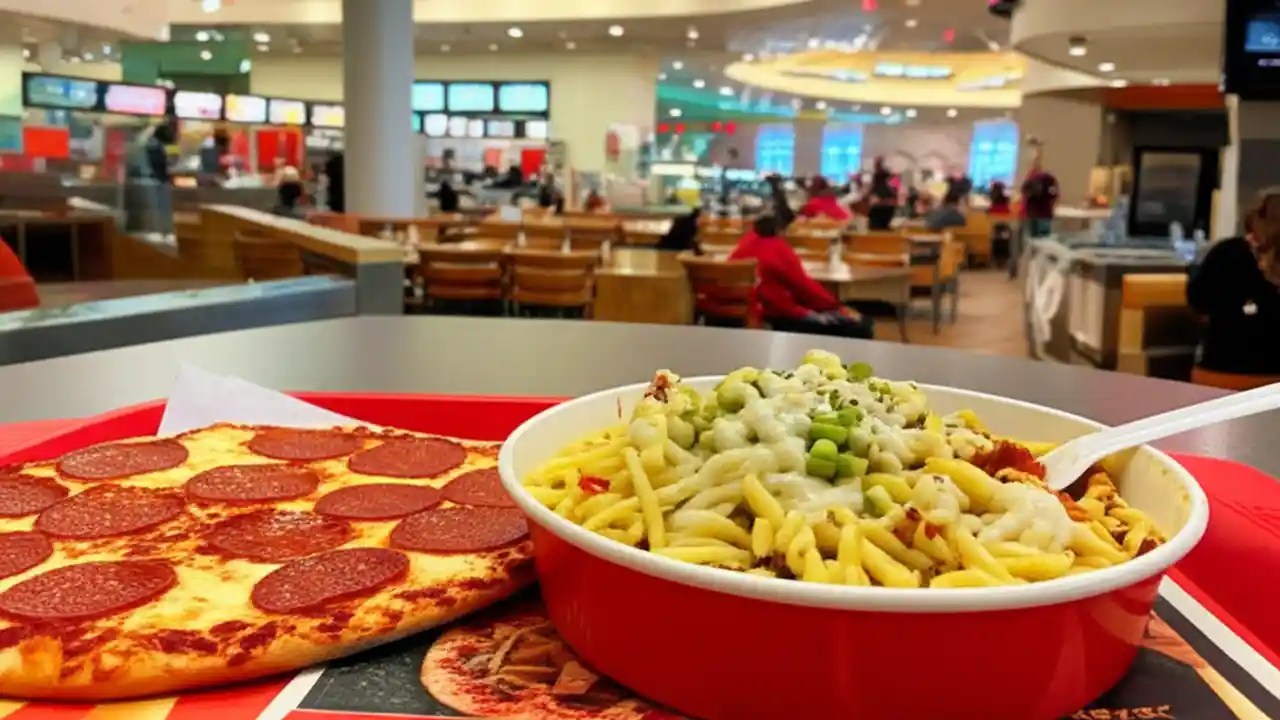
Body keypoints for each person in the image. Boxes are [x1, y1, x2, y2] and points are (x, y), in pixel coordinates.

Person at [729, 215, 873, 338]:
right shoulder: (778, 249)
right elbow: (804, 287)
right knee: (862, 325)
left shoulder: (743, 246)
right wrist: (836, 307)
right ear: (780, 230)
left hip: (748, 312)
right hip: (779, 315)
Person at [1186, 195, 1280, 375]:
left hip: (1216, 371)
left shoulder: (1228, 251)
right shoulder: (1234, 253)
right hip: (1270, 383)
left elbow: (1197, 301)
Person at [1020, 144, 1059, 238]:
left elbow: (1025, 194)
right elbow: (1054, 195)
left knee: (1031, 239)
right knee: (1043, 239)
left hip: (1032, 215)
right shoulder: (1048, 179)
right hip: (1043, 215)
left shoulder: (1032, 180)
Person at [866, 157, 898, 231]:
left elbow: (895, 195)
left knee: (880, 228)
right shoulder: (876, 177)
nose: (876, 167)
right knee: (874, 228)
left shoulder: (892, 177)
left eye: (878, 165)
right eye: (876, 165)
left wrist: (882, 200)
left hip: (885, 208)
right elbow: (872, 190)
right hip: (877, 207)